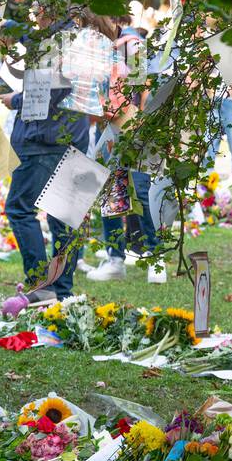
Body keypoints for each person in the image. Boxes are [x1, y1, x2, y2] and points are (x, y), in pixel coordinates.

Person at [0, 6, 99, 303]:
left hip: (45, 139)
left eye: (35, 9)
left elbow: (48, 94)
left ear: (47, 10)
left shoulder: (54, 44)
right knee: (65, 219)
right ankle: (62, 291)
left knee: (20, 208)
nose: (32, 13)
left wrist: (15, 99)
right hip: (75, 137)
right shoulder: (77, 39)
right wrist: (10, 27)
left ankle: (41, 285)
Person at [88, 17, 166, 283]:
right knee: (110, 191)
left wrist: (141, 119)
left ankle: (155, 257)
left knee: (140, 190)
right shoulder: (95, 47)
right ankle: (115, 258)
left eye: (97, 24)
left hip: (132, 124)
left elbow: (145, 86)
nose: (95, 30)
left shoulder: (131, 44)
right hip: (104, 125)